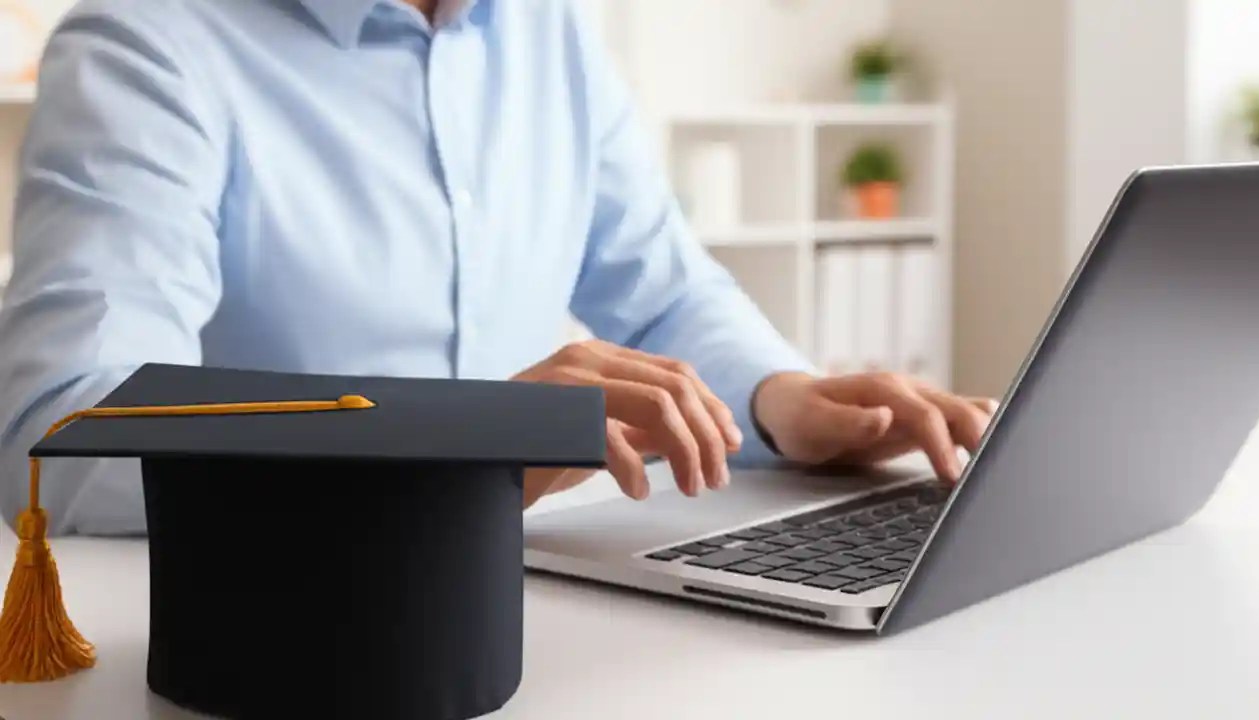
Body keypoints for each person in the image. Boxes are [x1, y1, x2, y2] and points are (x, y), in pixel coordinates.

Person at [0, 0, 996, 535]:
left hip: (527, 607)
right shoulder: (149, 43)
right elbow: (64, 439)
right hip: (277, 628)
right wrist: (461, 445)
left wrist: (785, 400)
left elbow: (660, 287)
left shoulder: (546, 28)